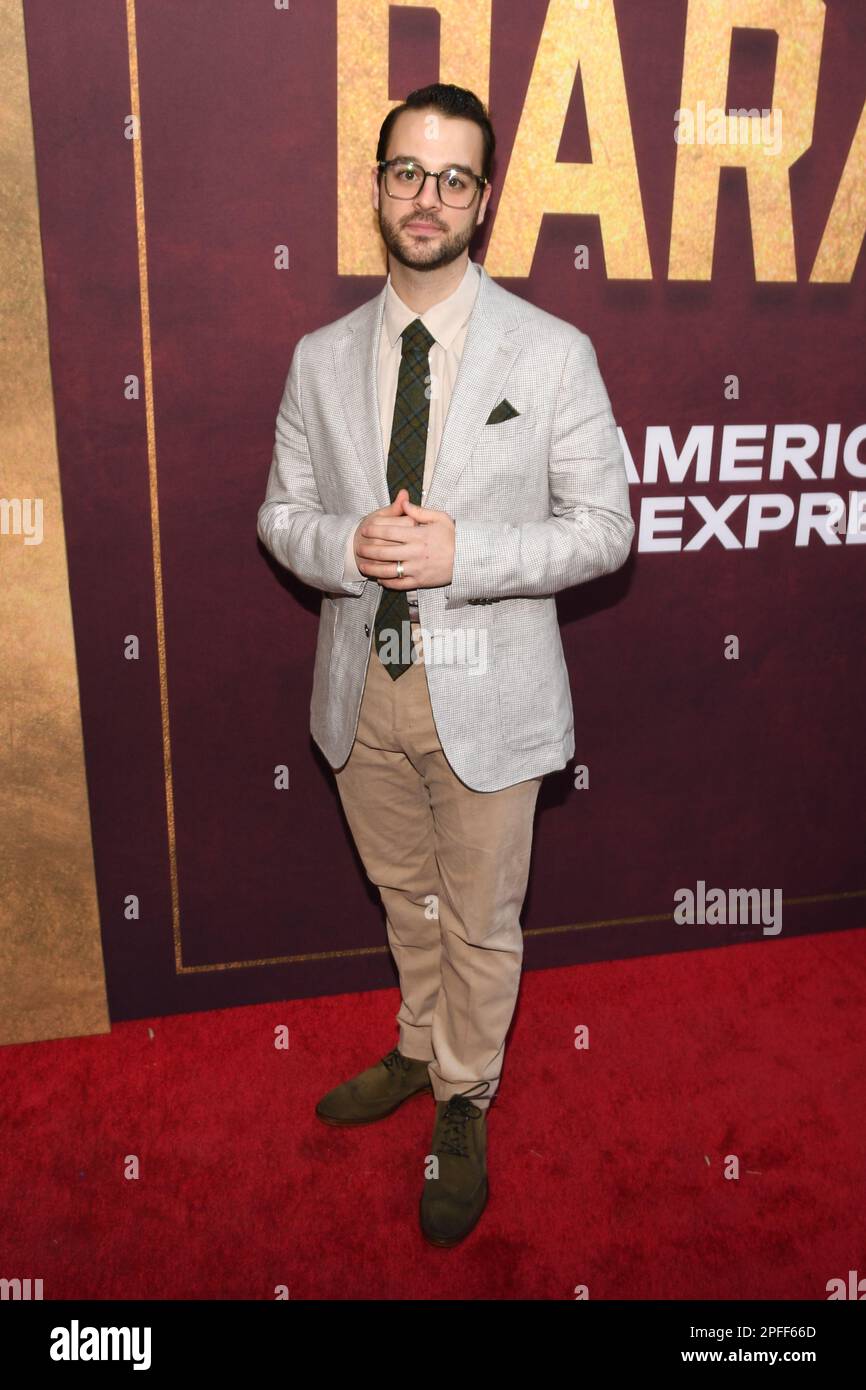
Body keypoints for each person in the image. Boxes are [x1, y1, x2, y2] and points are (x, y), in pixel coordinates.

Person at [257, 83, 634, 1248]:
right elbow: (281, 515)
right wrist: (345, 546)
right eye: (407, 174)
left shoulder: (551, 352)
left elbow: (604, 529)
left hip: (491, 695)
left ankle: (464, 1098)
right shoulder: (318, 358)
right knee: (403, 896)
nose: (427, 198)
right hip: (358, 689)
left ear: (482, 200)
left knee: (480, 916)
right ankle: (419, 1045)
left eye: (453, 178)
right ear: (376, 188)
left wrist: (464, 554)